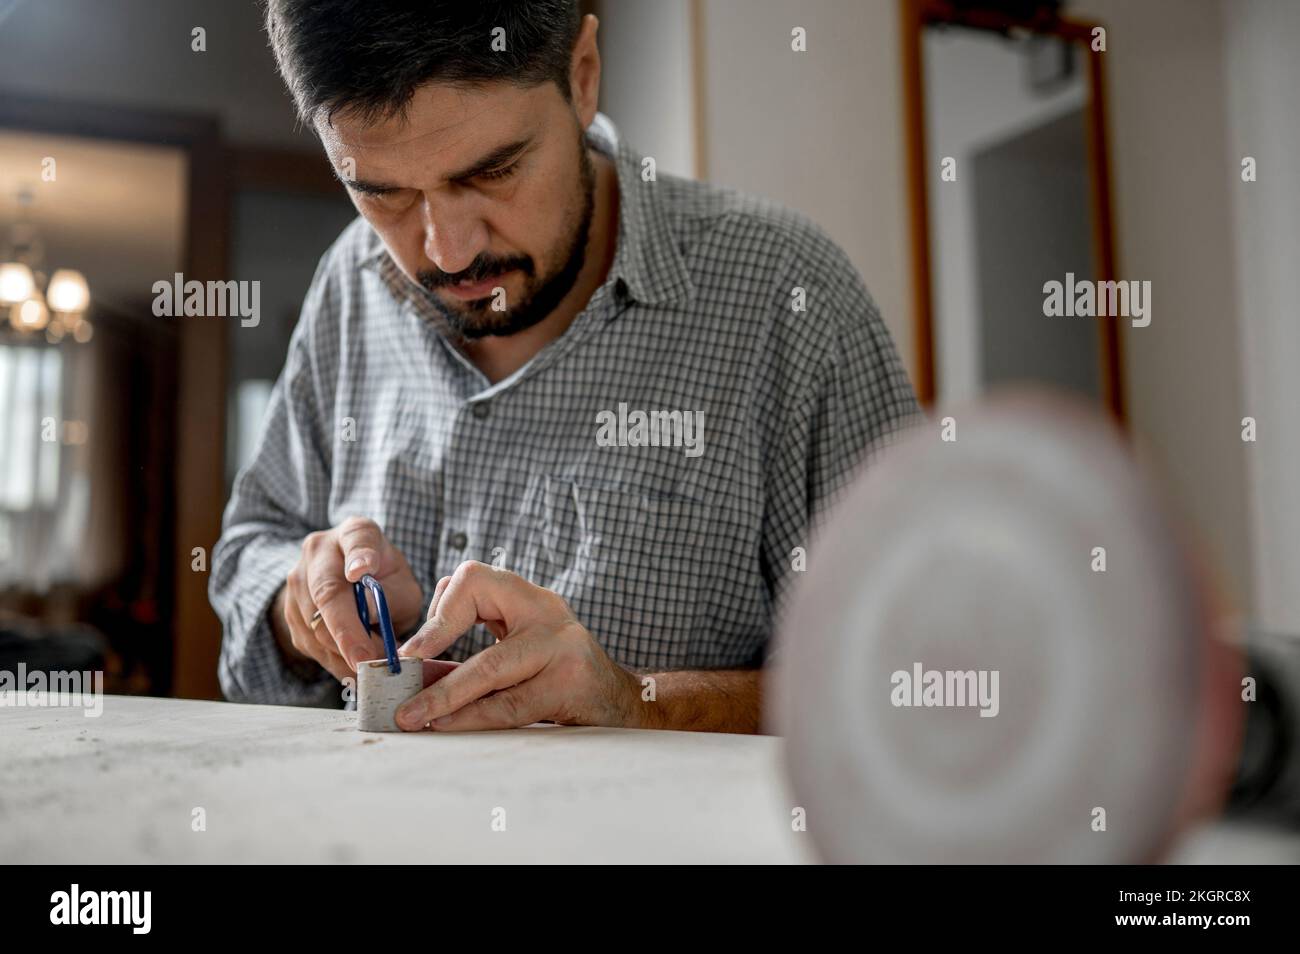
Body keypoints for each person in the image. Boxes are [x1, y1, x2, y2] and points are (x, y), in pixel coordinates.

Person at [210, 0, 918, 733]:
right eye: (381, 194)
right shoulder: (349, 285)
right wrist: (302, 605)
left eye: (494, 172)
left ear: (582, 76)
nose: (448, 250)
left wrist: (634, 699)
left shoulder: (787, 298)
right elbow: (251, 550)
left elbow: (908, 680)